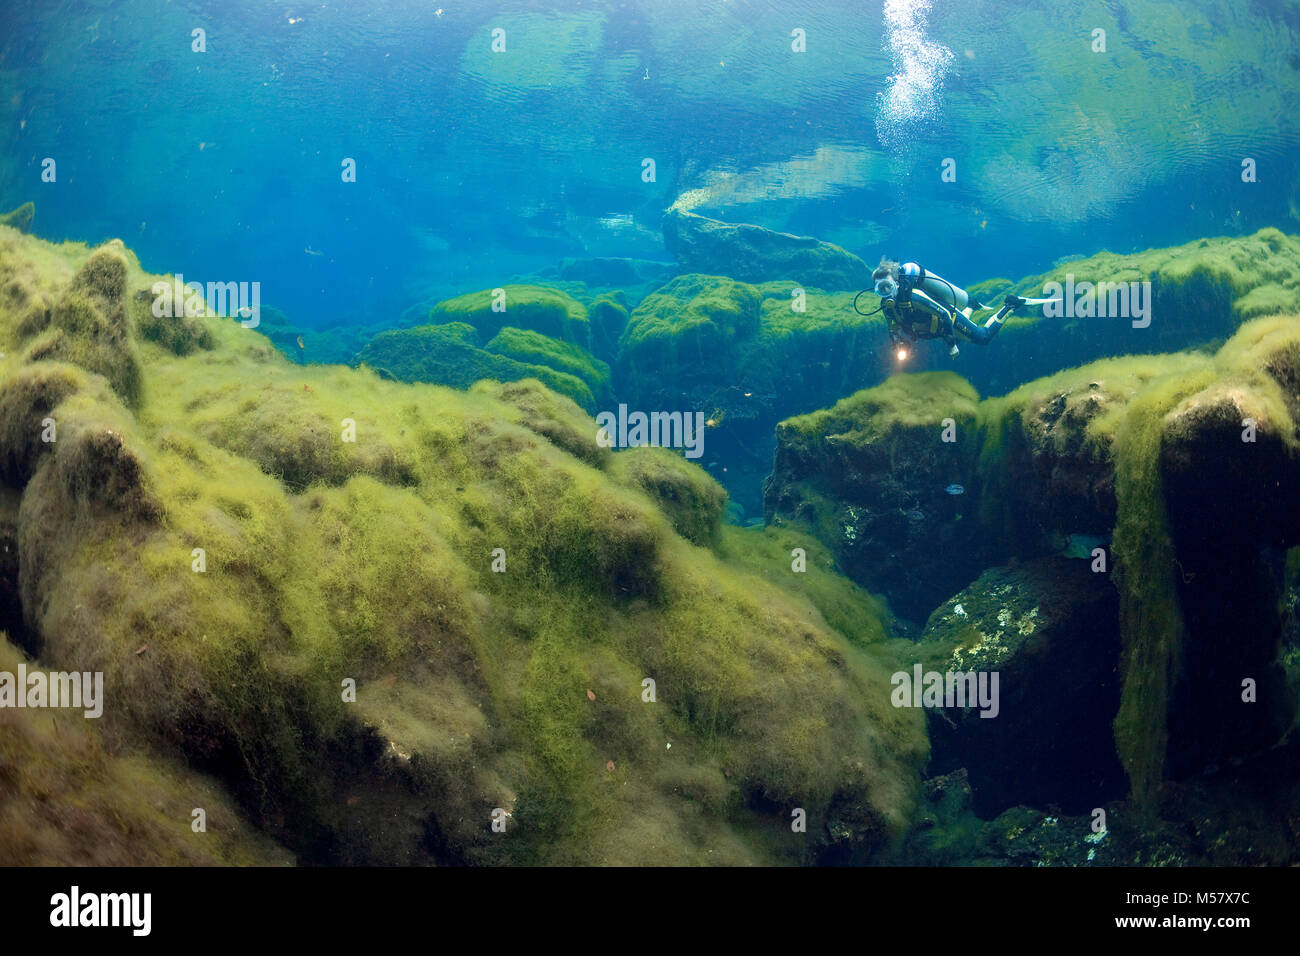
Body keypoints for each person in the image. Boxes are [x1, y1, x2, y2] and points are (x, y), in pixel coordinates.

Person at [869, 258, 1031, 358]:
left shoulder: (914, 297)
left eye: (887, 287)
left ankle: (1010, 305)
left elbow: (945, 313)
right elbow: (893, 328)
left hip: (949, 320)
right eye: (880, 290)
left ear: (896, 283)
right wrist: (898, 343)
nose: (886, 293)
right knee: (962, 336)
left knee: (983, 337)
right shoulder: (887, 307)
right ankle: (972, 307)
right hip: (938, 329)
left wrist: (951, 345)